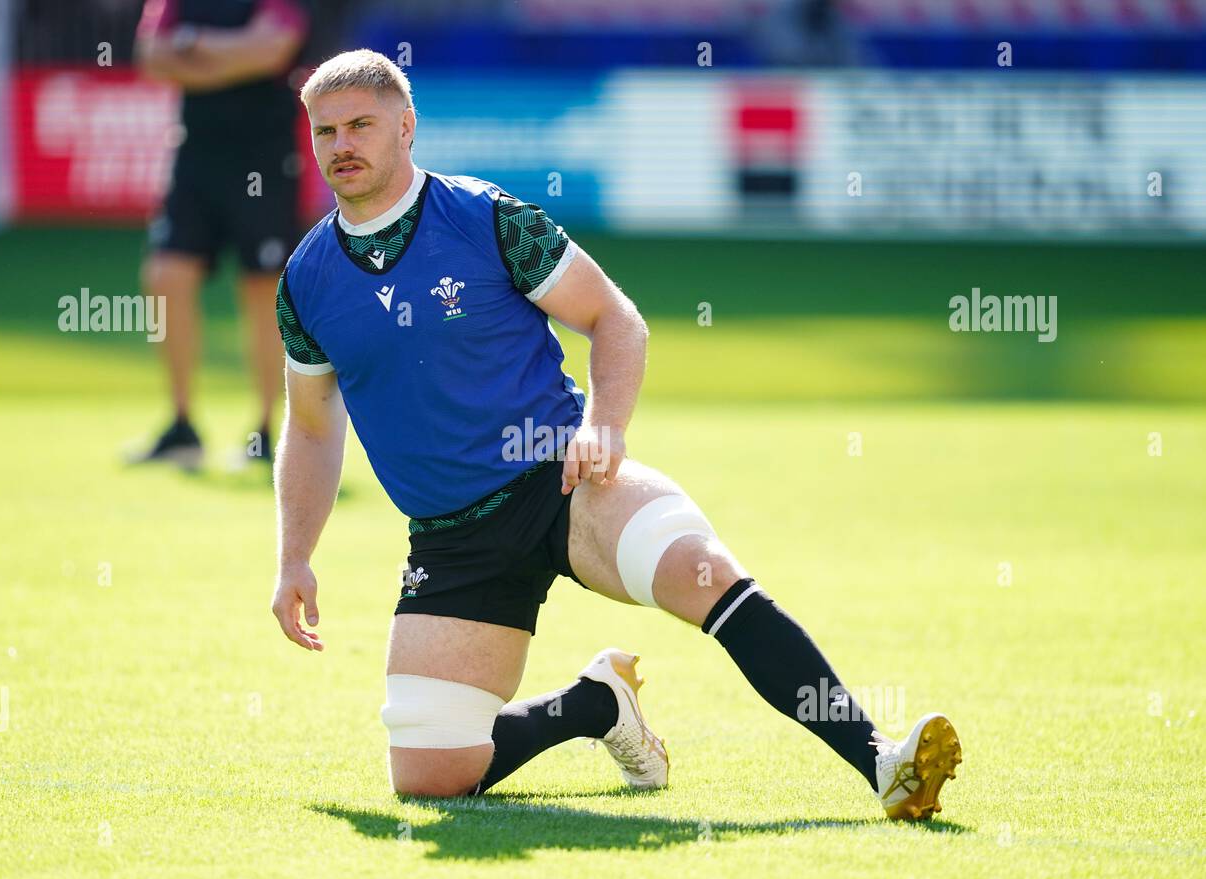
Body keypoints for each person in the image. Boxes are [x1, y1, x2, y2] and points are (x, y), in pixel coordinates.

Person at [271, 50, 962, 819]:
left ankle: (884, 764)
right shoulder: (306, 279)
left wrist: (603, 425)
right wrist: (295, 556)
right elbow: (309, 427)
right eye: (325, 131)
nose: (342, 146)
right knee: (429, 778)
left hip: (563, 481)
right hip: (450, 539)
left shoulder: (487, 218)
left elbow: (614, 318)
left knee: (705, 578)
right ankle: (596, 706)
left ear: (405, 126)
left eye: (360, 125)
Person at [130, 0, 310, 469]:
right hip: (195, 158)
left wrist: (190, 49)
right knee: (165, 275)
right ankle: (182, 425)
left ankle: (269, 432)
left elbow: (273, 51)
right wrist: (233, 56)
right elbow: (150, 56)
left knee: (262, 289)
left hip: (265, 157)